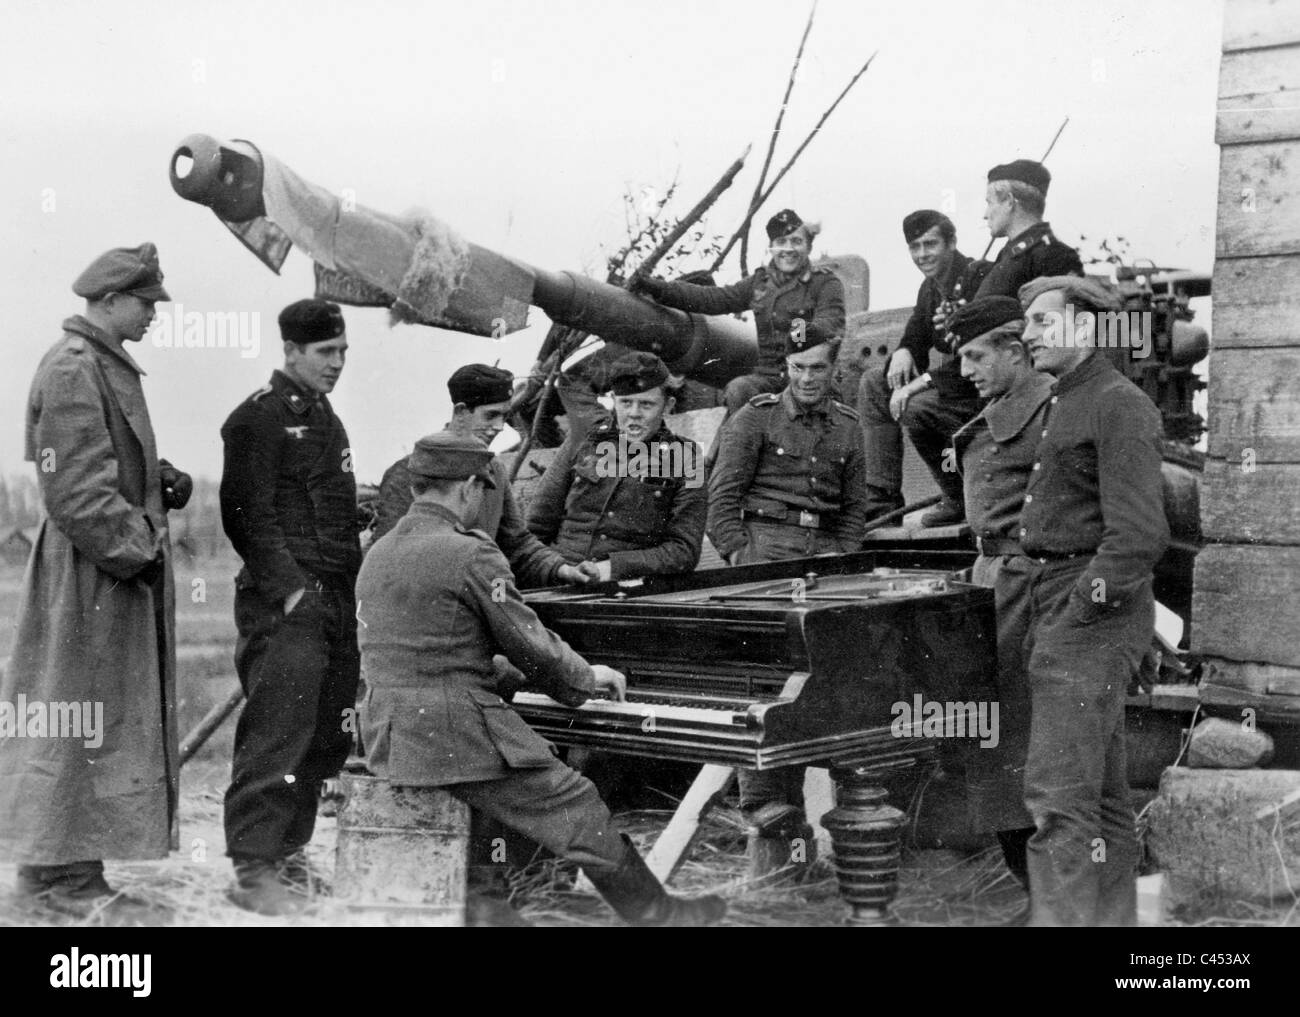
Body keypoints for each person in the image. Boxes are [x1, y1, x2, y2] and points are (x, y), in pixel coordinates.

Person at [356, 431, 727, 926]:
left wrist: (508, 679)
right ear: (469, 486)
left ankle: (489, 910)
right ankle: (658, 913)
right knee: (576, 802)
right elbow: (534, 648)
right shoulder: (470, 553)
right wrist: (586, 678)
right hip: (455, 732)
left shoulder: (379, 553)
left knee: (485, 809)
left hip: (388, 731)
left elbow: (433, 646)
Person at [0, 243, 190, 919]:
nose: (153, 316)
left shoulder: (97, 366)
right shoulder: (75, 368)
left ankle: (67, 867)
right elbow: (76, 492)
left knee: (92, 717)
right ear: (110, 301)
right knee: (71, 713)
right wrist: (141, 548)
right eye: (146, 304)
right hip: (90, 573)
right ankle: (57, 878)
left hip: (100, 569)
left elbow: (102, 464)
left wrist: (156, 482)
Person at [1013, 274, 1168, 926]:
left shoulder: (1116, 402)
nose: (1027, 334)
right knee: (1102, 801)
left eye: (1043, 322)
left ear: (1086, 327)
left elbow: (1139, 536)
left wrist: (1078, 613)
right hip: (1063, 598)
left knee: (1058, 801)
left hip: (1091, 611)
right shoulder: (1068, 398)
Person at [219, 298, 362, 915]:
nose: (336, 364)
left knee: (325, 732)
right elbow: (246, 515)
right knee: (278, 730)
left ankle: (289, 855)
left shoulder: (326, 419)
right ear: (291, 352)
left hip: (335, 597)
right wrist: (292, 591)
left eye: (343, 352)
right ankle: (253, 869)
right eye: (325, 353)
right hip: (287, 604)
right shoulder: (257, 419)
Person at [706, 324, 866, 860]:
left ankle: (838, 838)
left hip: (821, 557)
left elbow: (853, 510)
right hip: (763, 550)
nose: (806, 378)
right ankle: (773, 843)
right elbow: (722, 497)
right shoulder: (756, 417)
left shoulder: (848, 427)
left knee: (826, 681)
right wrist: (738, 558)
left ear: (833, 369)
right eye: (797, 368)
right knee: (764, 683)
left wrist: (839, 558)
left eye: (817, 368)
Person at [948, 296, 1054, 909]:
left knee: (1025, 760)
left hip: (1032, 591)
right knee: (996, 759)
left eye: (975, 355)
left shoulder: (1055, 413)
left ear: (1016, 352)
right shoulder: (996, 414)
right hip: (991, 584)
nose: (965, 370)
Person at [372, 363, 590, 587]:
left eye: (504, 417)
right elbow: (388, 560)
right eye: (490, 415)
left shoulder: (493, 469)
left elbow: (517, 545)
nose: (498, 427)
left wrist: (564, 569)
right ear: (461, 412)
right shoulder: (408, 473)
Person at [631, 209, 845, 416]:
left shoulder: (824, 283)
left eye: (796, 242)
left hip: (809, 374)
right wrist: (659, 289)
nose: (788, 249)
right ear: (771, 248)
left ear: (808, 246)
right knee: (738, 390)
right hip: (769, 377)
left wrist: (800, 335)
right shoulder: (759, 284)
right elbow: (713, 298)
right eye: (781, 242)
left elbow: (830, 322)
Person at [527, 352, 706, 581]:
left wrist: (611, 568)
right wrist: (554, 569)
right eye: (626, 403)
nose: (634, 414)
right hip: (558, 578)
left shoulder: (688, 458)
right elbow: (536, 526)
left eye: (646, 404)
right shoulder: (582, 440)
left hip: (628, 589)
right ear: (613, 400)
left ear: (668, 406)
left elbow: (684, 551)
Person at [859, 210, 978, 525]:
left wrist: (918, 383)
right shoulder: (930, 288)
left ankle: (956, 495)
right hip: (956, 385)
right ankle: (881, 501)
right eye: (915, 247)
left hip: (979, 388)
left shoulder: (978, 277)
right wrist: (903, 351)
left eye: (930, 244)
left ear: (951, 242)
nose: (922, 254)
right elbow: (916, 333)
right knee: (874, 384)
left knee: (917, 407)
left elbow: (979, 357)